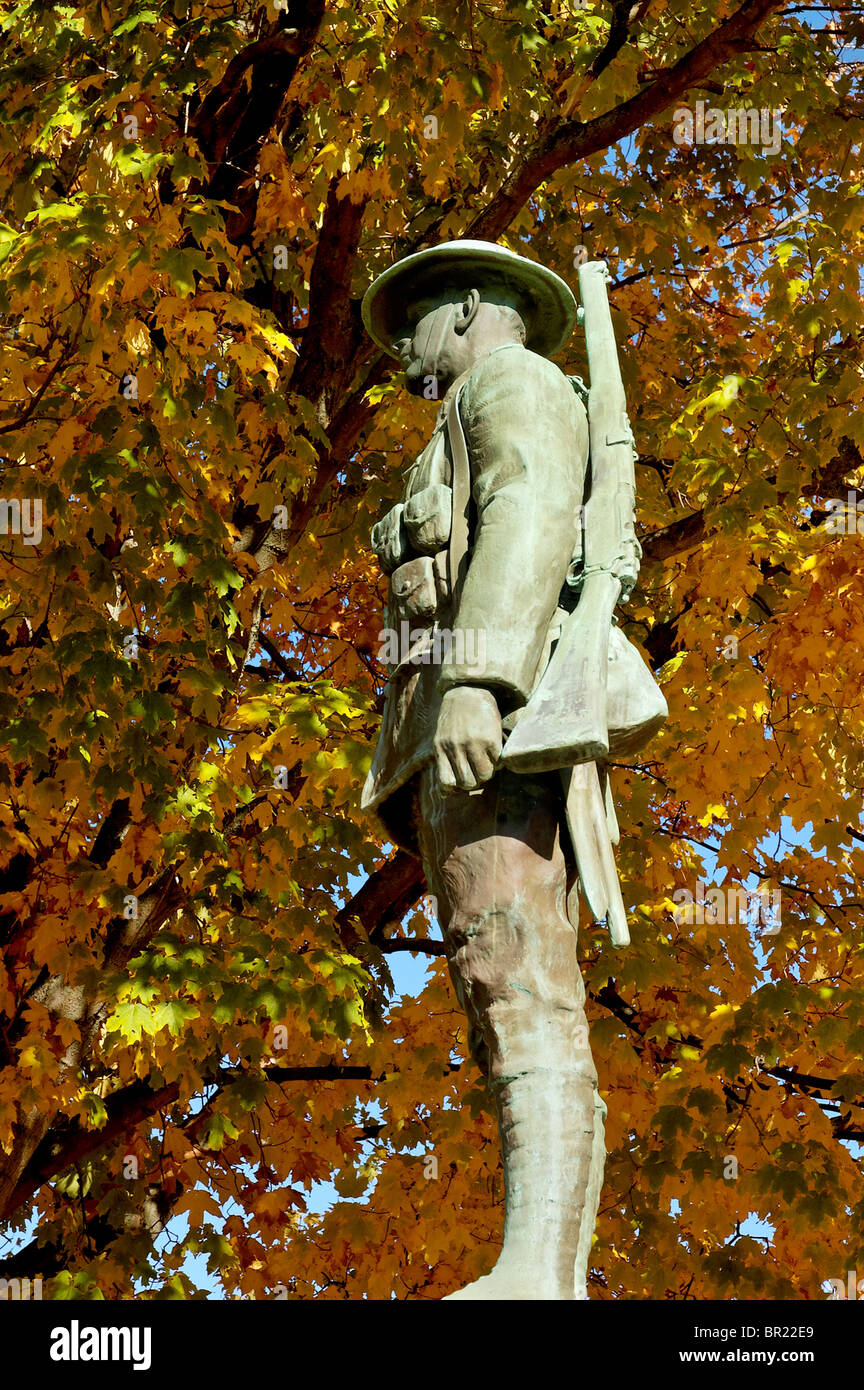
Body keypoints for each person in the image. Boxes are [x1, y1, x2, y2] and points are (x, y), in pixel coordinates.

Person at [361, 240, 606, 1300]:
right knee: (493, 980)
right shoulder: (453, 420)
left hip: (491, 725)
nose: (406, 351)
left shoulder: (512, 382)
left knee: (521, 979)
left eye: (415, 323)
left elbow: (530, 511)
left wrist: (478, 680)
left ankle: (537, 1277)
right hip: (449, 736)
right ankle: (530, 1264)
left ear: (466, 308)